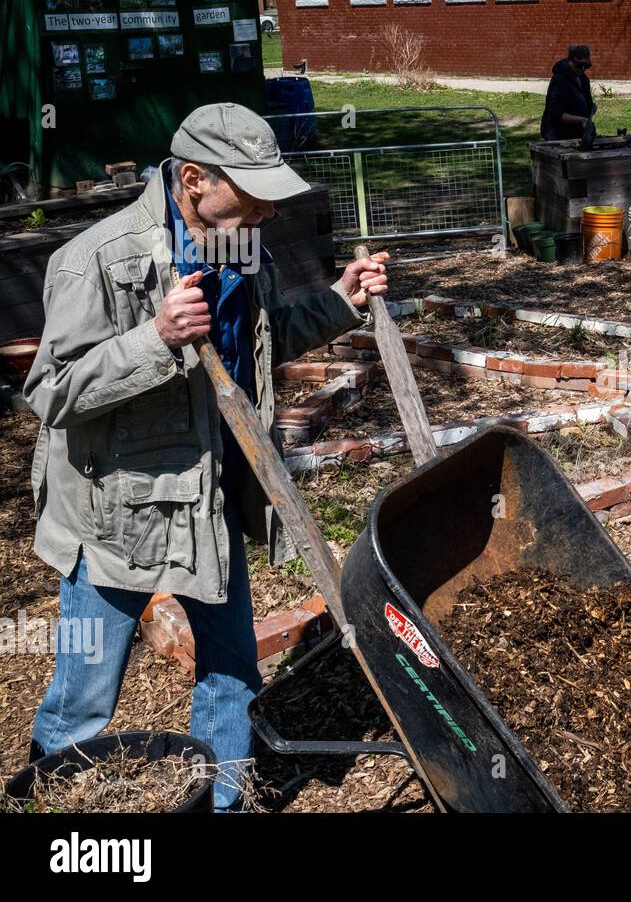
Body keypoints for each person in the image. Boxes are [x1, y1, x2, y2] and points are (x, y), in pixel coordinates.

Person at [23, 102, 388, 811]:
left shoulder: (238, 245)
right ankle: (54, 817)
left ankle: (219, 805)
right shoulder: (96, 260)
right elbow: (50, 393)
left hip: (209, 498)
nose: (265, 214)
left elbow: (265, 338)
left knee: (231, 676)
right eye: (250, 195)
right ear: (193, 179)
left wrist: (341, 300)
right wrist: (151, 340)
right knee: (84, 699)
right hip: (111, 517)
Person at [541, 44, 596, 141]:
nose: (583, 69)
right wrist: (582, 119)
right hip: (558, 135)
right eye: (579, 65)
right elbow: (556, 114)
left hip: (577, 134)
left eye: (586, 65)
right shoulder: (560, 80)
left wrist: (590, 109)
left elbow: (586, 102)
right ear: (570, 61)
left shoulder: (583, 79)